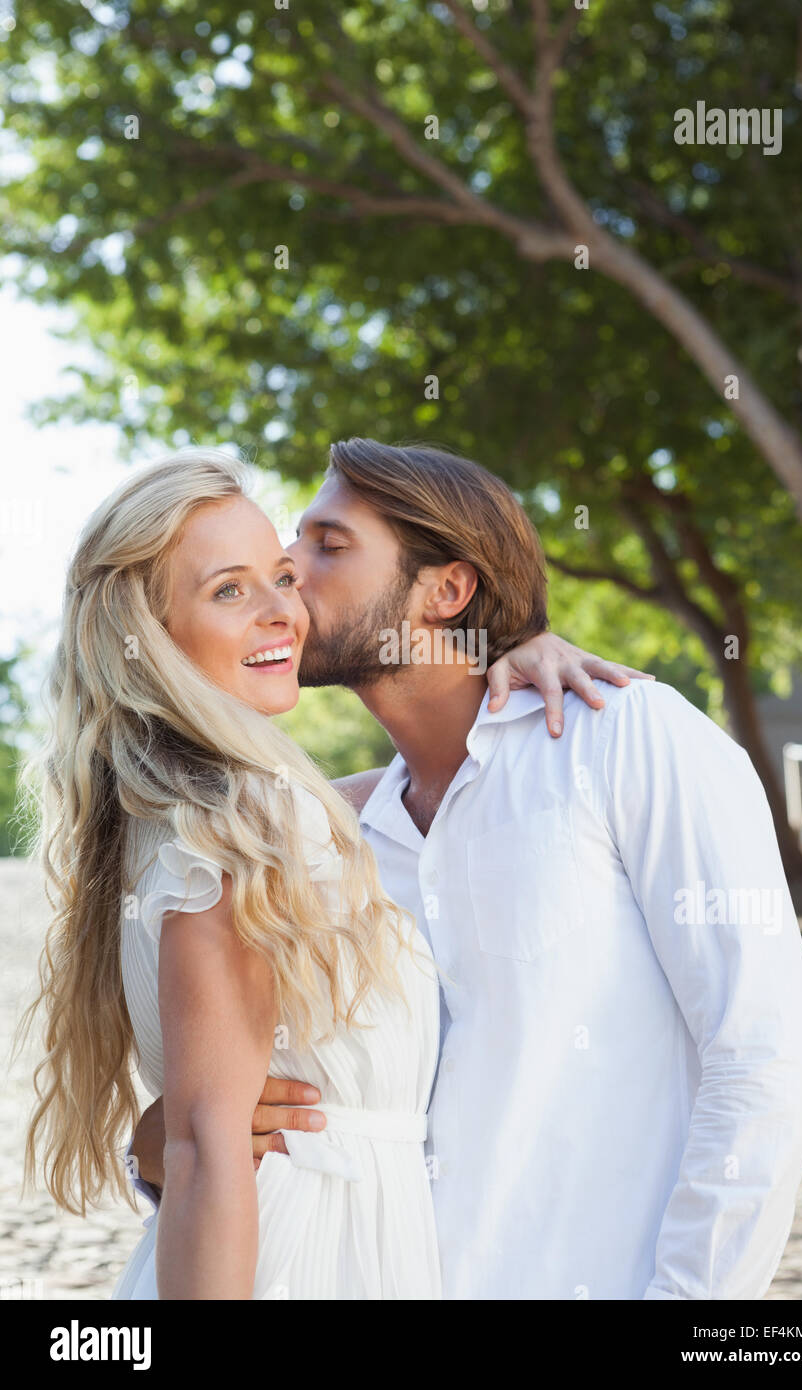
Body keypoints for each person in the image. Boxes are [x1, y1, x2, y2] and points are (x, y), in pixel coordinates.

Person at [132, 437, 802, 1300]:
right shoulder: (329, 837)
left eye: (326, 545)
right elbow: (265, 1114)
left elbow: (764, 1056)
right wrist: (170, 1145)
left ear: (447, 590)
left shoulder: (624, 737)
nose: (288, 578)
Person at [20, 446, 636, 1301]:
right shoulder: (244, 816)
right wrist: (172, 1147)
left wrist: (509, 649)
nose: (284, 607)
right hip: (303, 1262)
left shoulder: (216, 806)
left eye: (280, 574)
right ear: (145, 634)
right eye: (227, 590)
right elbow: (204, 1150)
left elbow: (426, 784)